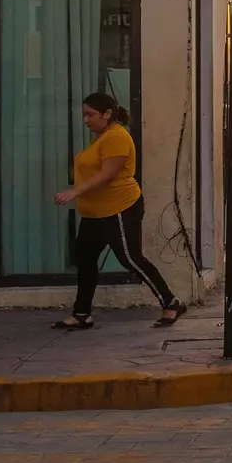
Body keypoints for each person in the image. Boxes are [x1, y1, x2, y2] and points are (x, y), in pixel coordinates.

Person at [52, 93, 185, 330]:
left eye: (90, 114)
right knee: (85, 259)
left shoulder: (116, 137)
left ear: (107, 114)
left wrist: (75, 191)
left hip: (119, 208)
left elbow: (107, 174)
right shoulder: (102, 137)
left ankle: (171, 302)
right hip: (95, 213)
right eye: (84, 114)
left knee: (130, 258)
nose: (86, 119)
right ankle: (82, 313)